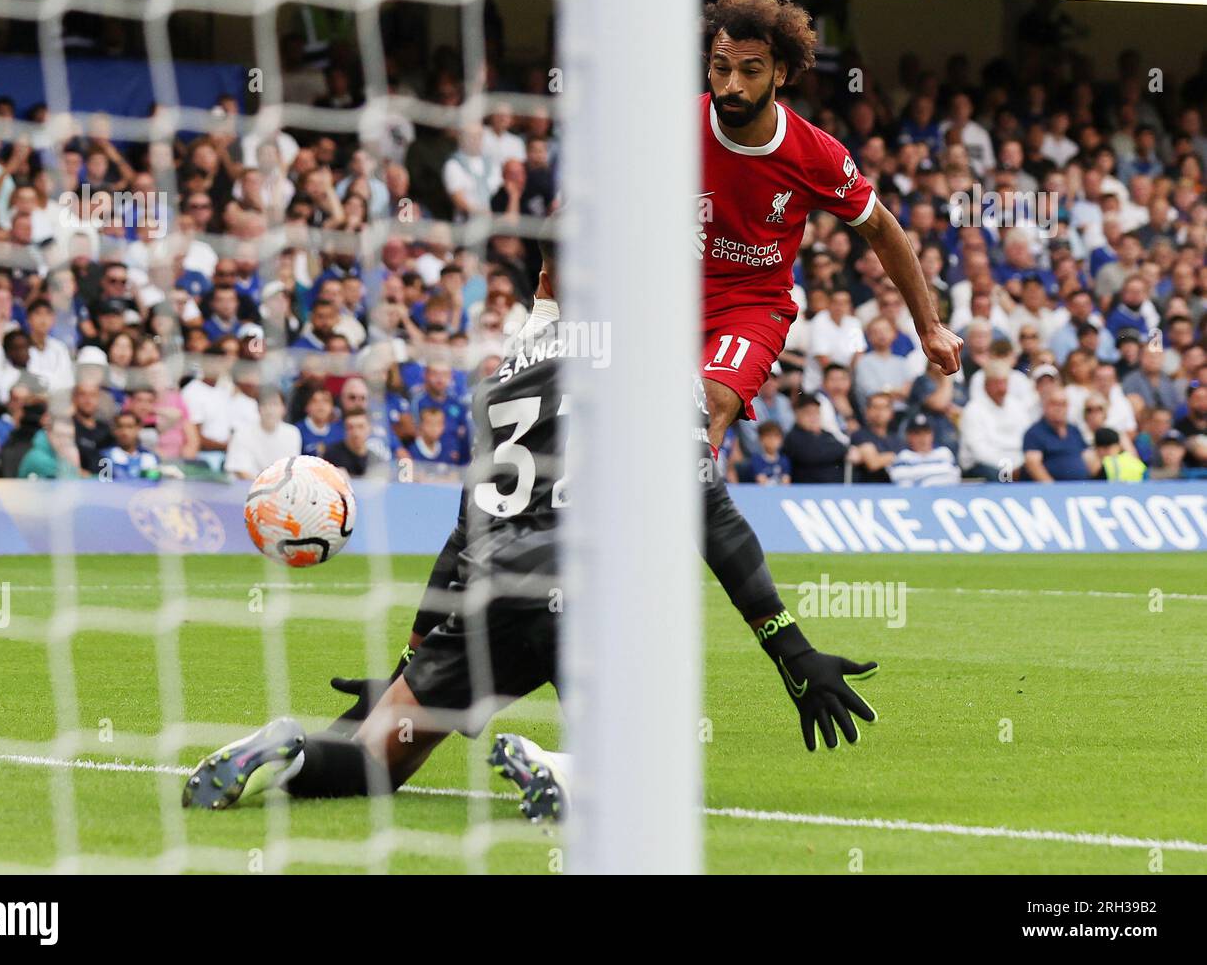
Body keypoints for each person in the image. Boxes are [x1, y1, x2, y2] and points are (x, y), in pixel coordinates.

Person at [184, 240, 880, 820]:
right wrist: (790, 648)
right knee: (659, 778)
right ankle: (560, 767)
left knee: (374, 761)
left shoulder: (503, 380)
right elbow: (712, 516)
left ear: (549, 283)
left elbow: (463, 534)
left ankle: (291, 747)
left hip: (491, 595)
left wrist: (409, 665)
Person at [698, 0, 961, 457]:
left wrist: (928, 327)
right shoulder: (668, 128)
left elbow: (881, 228)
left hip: (752, 306)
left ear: (780, 72)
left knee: (706, 404)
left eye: (750, 70)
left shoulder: (814, 154)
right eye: (721, 68)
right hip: (665, 302)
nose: (731, 84)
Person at [1022, 386, 1098, 482]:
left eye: (1063, 404)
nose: (1059, 408)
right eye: (1055, 404)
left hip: (1081, 489)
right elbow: (1033, 465)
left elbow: (1089, 458)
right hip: (1052, 492)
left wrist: (1100, 480)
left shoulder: (1073, 430)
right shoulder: (1034, 433)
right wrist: (1054, 490)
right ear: (1045, 406)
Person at [224, 389, 302, 480]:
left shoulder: (293, 433)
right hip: (246, 487)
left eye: (275, 404)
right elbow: (241, 471)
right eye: (265, 405)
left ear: (284, 409)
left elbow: (291, 470)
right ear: (258, 408)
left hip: (278, 489)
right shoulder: (242, 432)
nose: (270, 410)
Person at [887, 413, 961, 487]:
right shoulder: (904, 456)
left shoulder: (944, 453)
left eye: (926, 432)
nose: (922, 438)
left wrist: (919, 478)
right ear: (908, 436)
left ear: (932, 434)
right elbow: (901, 482)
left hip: (944, 495)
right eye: (917, 433)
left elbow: (953, 478)